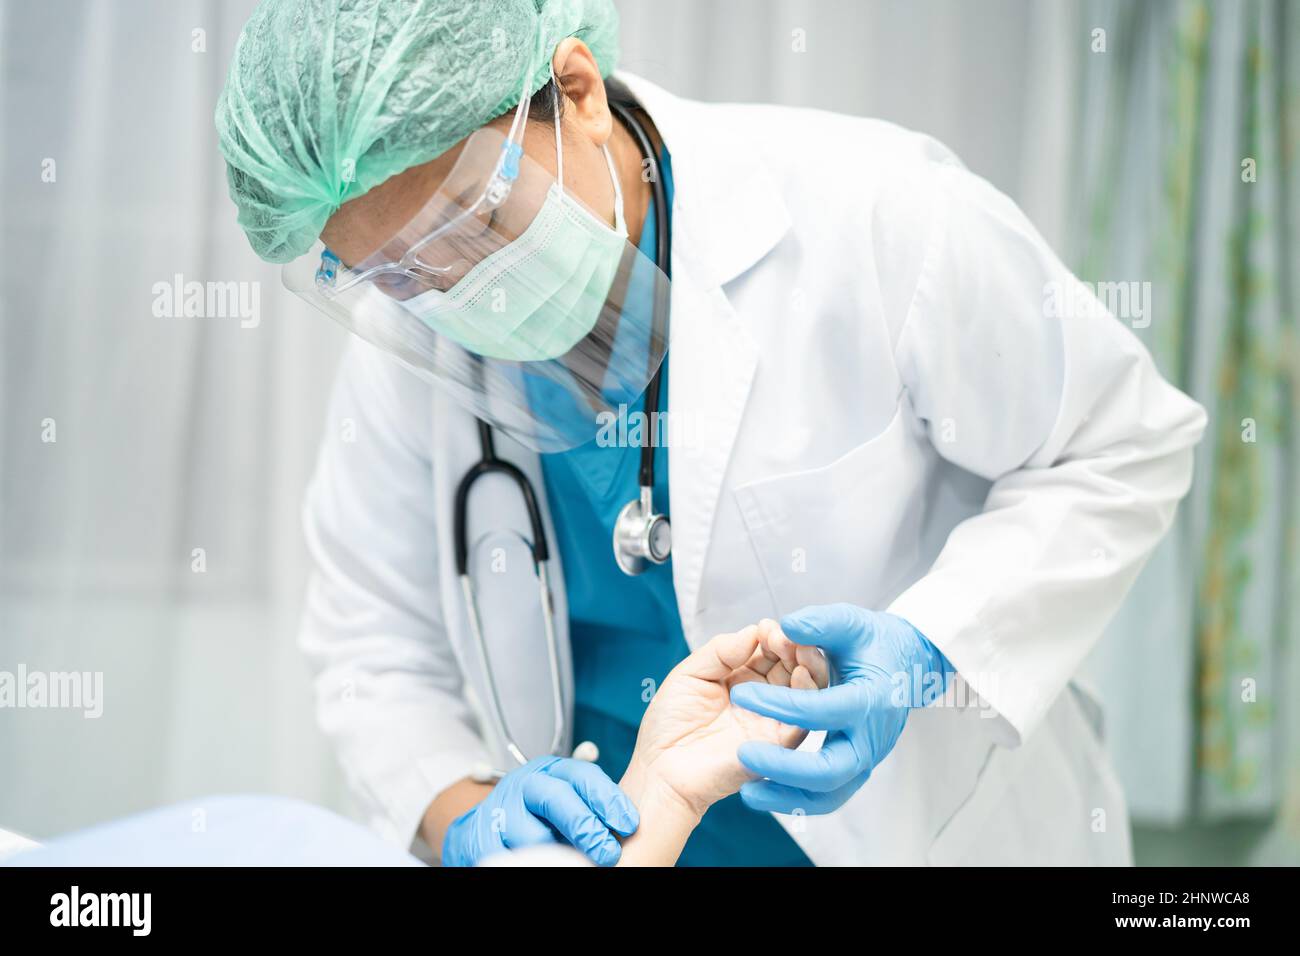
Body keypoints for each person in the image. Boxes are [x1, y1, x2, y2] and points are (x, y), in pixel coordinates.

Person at [215, 0, 1206, 866]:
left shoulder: (872, 209)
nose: (448, 286)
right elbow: (368, 643)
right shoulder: (414, 331)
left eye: (469, 219)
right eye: (390, 270)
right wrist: (467, 814)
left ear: (578, 88)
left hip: (923, 829)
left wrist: (925, 646)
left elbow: (1120, 443)